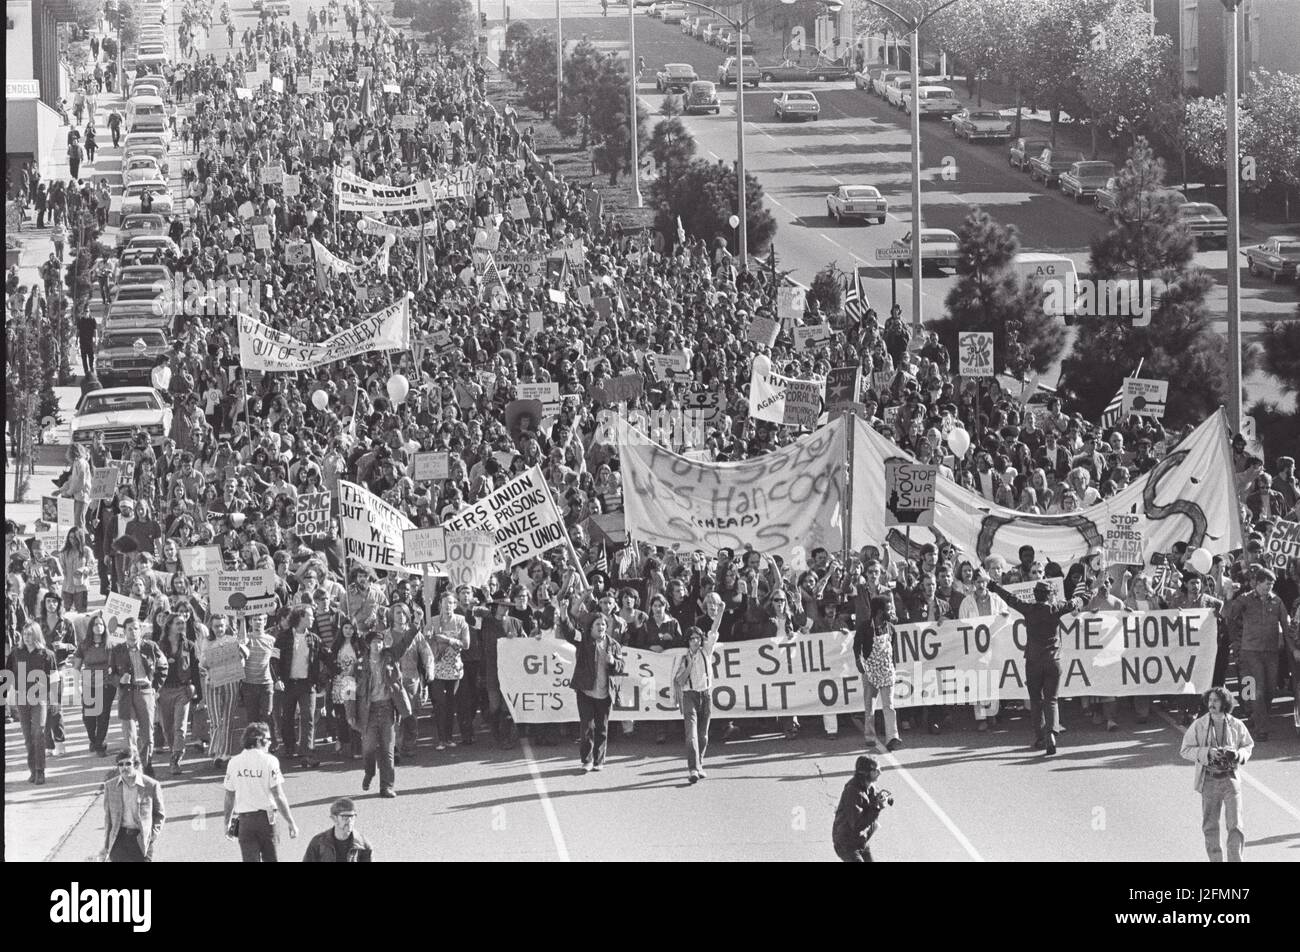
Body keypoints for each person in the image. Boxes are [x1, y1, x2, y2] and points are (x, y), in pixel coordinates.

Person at [989, 578, 1084, 755]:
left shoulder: (1029, 609)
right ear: (1049, 596)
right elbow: (1075, 602)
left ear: (1035, 595)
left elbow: (1010, 598)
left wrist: (994, 587)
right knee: (1052, 699)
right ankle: (1052, 733)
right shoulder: (1055, 608)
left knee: (1036, 700)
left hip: (1033, 661)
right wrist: (1087, 594)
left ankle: (1040, 736)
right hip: (1053, 660)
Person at [1179, 686, 1253, 862]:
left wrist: (1237, 755)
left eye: (1216, 701)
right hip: (1209, 780)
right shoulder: (1199, 724)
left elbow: (1248, 746)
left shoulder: (1236, 724)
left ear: (1224, 703)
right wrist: (1207, 753)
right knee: (1210, 826)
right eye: (1210, 700)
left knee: (1235, 826)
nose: (1211, 704)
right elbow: (1185, 750)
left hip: (1230, 779)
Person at [1224, 567, 1291, 741]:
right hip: (1250, 652)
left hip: (1271, 652)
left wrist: (1292, 648)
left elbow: (1286, 625)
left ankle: (1256, 714)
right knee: (1257, 689)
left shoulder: (1277, 602)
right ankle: (1262, 728)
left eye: (1272, 584)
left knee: (1270, 690)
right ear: (1258, 583)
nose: (1269, 587)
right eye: (1267, 584)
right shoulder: (1245, 600)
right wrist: (1230, 599)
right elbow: (1230, 616)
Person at [223, 721, 299, 862]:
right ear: (258, 740)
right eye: (268, 739)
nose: (270, 742)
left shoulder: (234, 762)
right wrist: (290, 822)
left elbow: (229, 796)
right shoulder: (270, 761)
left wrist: (227, 822)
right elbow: (278, 795)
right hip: (267, 821)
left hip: (245, 822)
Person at [671, 594, 724, 782]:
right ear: (688, 641)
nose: (695, 641)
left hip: (706, 695)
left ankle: (699, 762)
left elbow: (714, 629)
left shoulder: (706, 651)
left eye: (697, 638)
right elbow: (680, 681)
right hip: (690, 696)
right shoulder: (684, 658)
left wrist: (721, 610)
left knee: (704, 735)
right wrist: (690, 665)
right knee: (691, 734)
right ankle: (693, 769)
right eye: (692, 638)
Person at [109, 616, 168, 776]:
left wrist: (155, 688)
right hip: (126, 693)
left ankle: (146, 763)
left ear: (140, 630)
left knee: (147, 734)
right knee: (129, 734)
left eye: (136, 628)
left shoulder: (151, 647)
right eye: (129, 629)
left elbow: (163, 666)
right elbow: (110, 674)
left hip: (145, 691)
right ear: (124, 631)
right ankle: (133, 766)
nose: (133, 632)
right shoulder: (117, 650)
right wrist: (119, 680)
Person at [5, 623, 57, 784]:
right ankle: (33, 770)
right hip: (22, 699)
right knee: (28, 737)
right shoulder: (15, 653)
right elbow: (7, 675)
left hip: (39, 698)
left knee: (38, 733)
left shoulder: (47, 654)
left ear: (36, 635)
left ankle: (40, 771)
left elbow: (54, 679)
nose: (27, 637)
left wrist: (54, 700)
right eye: (24, 634)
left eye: (30, 634)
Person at [572, 613, 625, 772]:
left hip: (605, 693)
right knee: (587, 727)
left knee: (602, 728)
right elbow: (568, 631)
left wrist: (613, 662)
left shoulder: (613, 644)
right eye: (597, 624)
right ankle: (586, 761)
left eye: (603, 624)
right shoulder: (584, 640)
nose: (601, 627)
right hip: (586, 691)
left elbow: (621, 666)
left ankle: (599, 761)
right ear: (591, 627)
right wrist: (563, 613)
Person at [274, 605, 323, 767]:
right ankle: (289, 747)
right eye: (310, 616)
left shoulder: (314, 639)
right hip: (288, 684)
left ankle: (307, 753)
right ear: (301, 617)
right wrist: (277, 679)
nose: (313, 618)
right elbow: (274, 660)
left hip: (307, 684)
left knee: (308, 718)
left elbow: (326, 657)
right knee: (287, 717)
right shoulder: (283, 637)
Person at [855, 595, 902, 752]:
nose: (891, 611)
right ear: (880, 611)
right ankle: (870, 735)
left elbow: (892, 650)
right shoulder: (864, 627)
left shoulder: (891, 628)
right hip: (870, 670)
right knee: (870, 706)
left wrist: (894, 669)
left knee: (889, 706)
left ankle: (893, 737)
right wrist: (858, 661)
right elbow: (857, 646)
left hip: (887, 671)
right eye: (889, 608)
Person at [101, 749, 166, 862]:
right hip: (119, 839)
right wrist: (107, 846)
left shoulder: (151, 785)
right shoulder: (110, 786)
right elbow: (108, 819)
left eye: (128, 763)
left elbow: (159, 815)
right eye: (120, 764)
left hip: (140, 839)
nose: (124, 767)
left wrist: (151, 836)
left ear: (136, 765)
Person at [832, 755, 892, 862]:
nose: (880, 773)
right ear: (865, 772)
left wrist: (880, 799)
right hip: (847, 845)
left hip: (860, 840)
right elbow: (858, 824)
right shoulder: (853, 792)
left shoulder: (869, 786)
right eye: (877, 770)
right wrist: (877, 808)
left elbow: (873, 800)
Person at [72, 612, 115, 755]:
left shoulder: (110, 645)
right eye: (95, 624)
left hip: (107, 683)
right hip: (89, 682)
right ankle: (94, 739)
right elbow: (76, 667)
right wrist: (76, 687)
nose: (98, 627)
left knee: (103, 715)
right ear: (91, 627)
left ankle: (100, 745)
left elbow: (117, 665)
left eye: (101, 624)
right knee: (88, 717)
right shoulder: (84, 645)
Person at [302, 798, 373, 862]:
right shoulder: (318, 842)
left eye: (352, 817)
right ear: (334, 818)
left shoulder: (363, 844)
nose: (349, 821)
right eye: (345, 817)